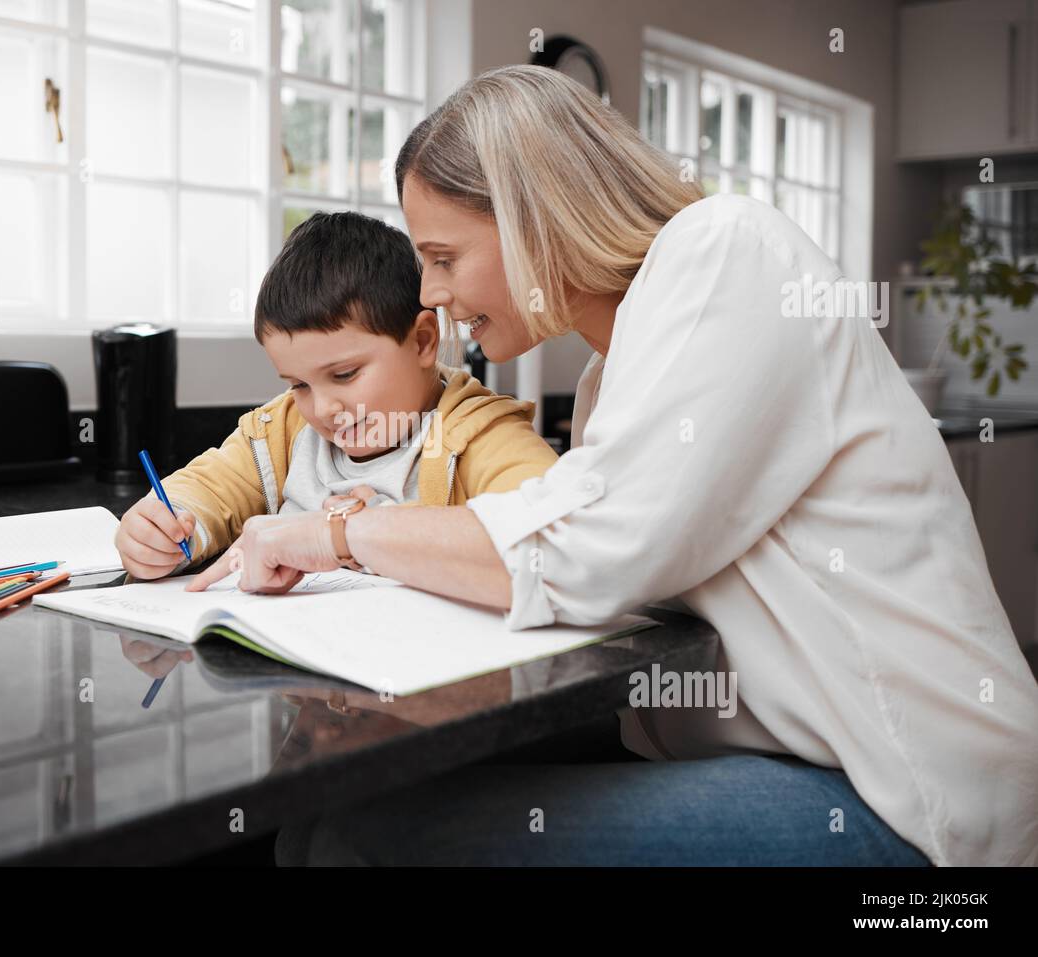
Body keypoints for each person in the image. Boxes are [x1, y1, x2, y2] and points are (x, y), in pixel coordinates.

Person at [190, 65, 1038, 866]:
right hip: (757, 742)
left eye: (444, 258)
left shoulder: (728, 253)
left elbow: (584, 551)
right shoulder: (610, 378)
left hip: (906, 801)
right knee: (338, 790)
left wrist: (336, 533)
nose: (430, 295)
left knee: (370, 812)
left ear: (535, 214)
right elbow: (595, 553)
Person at [115, 210, 559, 581]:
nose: (323, 408)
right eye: (300, 384)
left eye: (344, 374)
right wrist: (164, 527)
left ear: (423, 342)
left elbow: (553, 536)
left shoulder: (477, 433)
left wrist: (360, 532)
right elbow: (209, 487)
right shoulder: (283, 430)